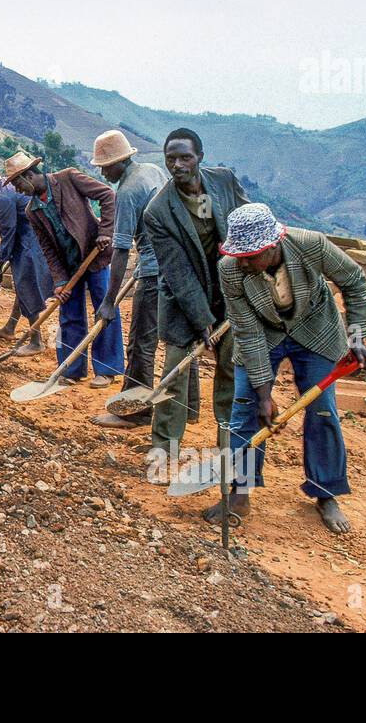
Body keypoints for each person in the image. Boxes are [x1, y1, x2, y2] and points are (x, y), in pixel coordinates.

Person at [212, 203, 366, 534]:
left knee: (322, 411)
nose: (242, 263)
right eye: (238, 256)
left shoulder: (310, 244)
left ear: (272, 246)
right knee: (245, 408)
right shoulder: (230, 270)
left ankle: (326, 492)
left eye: (250, 256)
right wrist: (263, 393)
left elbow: (355, 281)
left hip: (315, 329)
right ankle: (240, 489)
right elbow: (247, 330)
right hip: (264, 333)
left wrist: (356, 336)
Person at [141, 128, 249, 476]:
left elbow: (249, 224)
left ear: (199, 156)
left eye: (184, 157)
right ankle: (163, 446)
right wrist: (202, 321)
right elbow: (177, 270)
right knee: (176, 369)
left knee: (230, 371)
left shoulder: (224, 182)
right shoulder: (158, 211)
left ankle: (229, 448)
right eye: (170, 158)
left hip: (230, 294)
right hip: (183, 299)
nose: (177, 164)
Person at [4, 150, 123, 387]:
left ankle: (106, 369)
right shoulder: (32, 210)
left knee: (105, 309)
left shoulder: (68, 178)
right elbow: (47, 248)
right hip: (68, 268)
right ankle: (71, 369)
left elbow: (108, 195)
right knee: (69, 315)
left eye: (18, 183)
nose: (18, 190)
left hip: (94, 255)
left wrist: (105, 233)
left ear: (29, 175)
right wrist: (59, 281)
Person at [88, 130, 168, 428]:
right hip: (172, 265)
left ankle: (135, 413)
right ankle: (191, 409)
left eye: (105, 166)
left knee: (140, 344)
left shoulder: (126, 192)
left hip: (153, 270)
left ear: (120, 161)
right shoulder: (151, 171)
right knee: (177, 340)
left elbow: (120, 250)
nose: (103, 171)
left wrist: (109, 302)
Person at [0, 154, 53, 355]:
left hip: (29, 242)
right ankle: (10, 328)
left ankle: (36, 341)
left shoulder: (0, 195)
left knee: (27, 287)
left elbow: (8, 233)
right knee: (22, 285)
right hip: (24, 239)